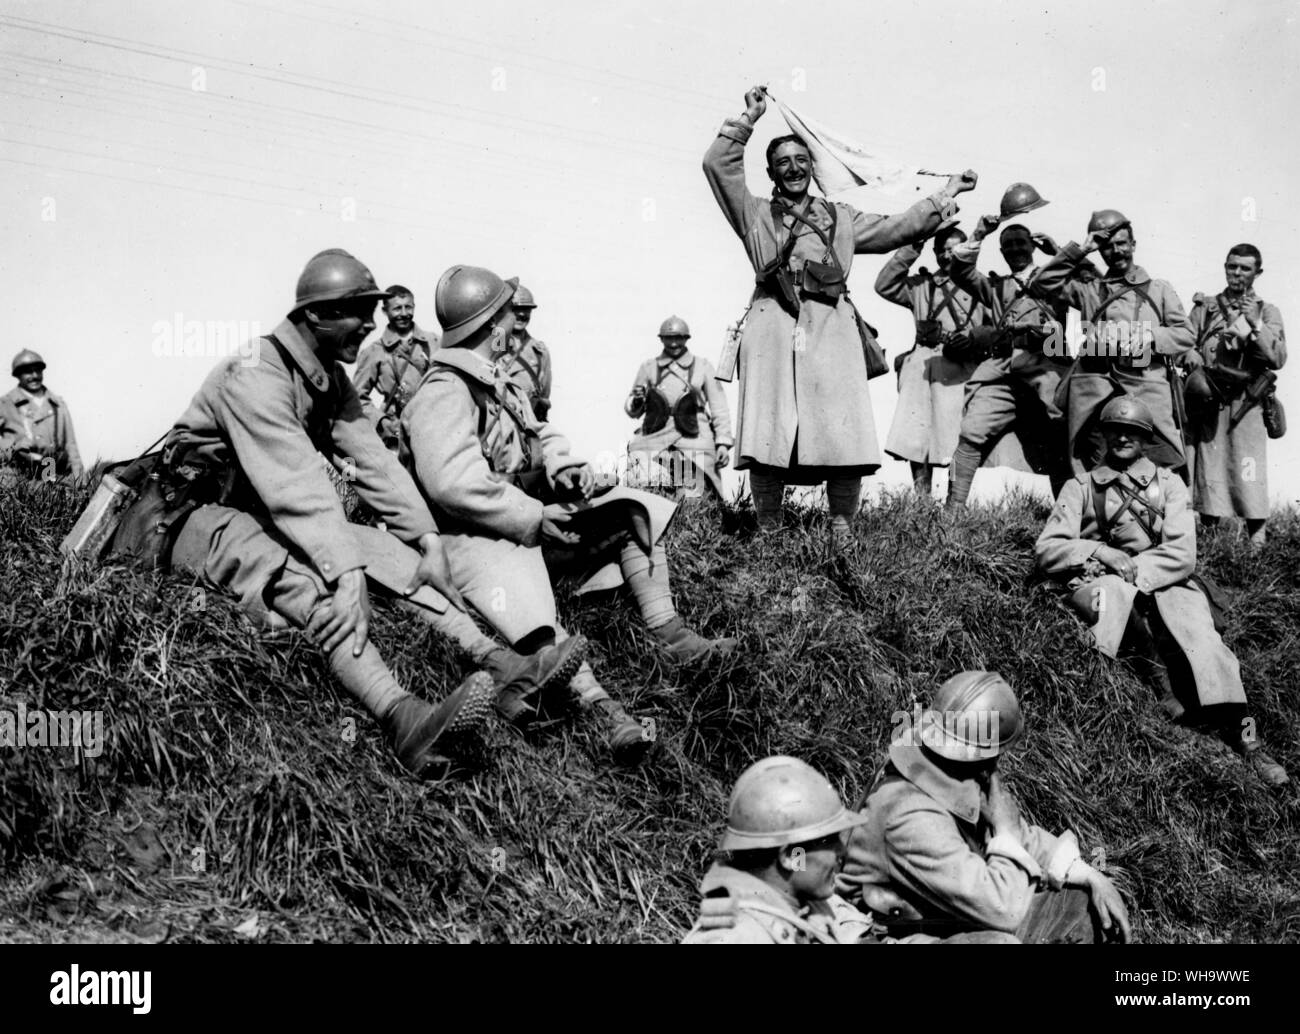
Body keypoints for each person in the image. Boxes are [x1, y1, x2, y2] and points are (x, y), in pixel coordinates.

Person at [107, 250, 587, 778]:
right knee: (302, 579)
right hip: (183, 518)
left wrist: (424, 540)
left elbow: (373, 460)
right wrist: (346, 572)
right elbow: (297, 485)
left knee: (391, 553)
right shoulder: (253, 373)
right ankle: (404, 719)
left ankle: (505, 667)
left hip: (248, 506)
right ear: (316, 315)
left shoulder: (326, 378)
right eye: (360, 311)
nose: (371, 324)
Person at [401, 266, 738, 762]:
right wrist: (532, 516)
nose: (514, 326)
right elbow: (451, 484)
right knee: (537, 619)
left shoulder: (498, 382)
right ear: (490, 325)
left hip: (523, 521)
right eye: (506, 317)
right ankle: (602, 711)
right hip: (471, 540)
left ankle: (668, 631)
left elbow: (542, 435)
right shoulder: (444, 390)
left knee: (631, 510)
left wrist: (568, 468)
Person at [703, 85, 976, 541]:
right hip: (772, 329)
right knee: (767, 434)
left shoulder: (841, 218)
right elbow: (717, 165)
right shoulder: (752, 214)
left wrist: (946, 193)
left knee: (843, 433)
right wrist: (747, 119)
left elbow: (896, 229)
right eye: (783, 162)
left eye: (801, 161)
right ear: (770, 173)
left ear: (813, 168)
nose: (793, 168)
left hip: (833, 331)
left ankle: (842, 532)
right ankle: (769, 534)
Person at [1035, 397, 1288, 787]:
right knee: (1115, 598)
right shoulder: (1080, 486)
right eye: (1114, 430)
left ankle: (1251, 743)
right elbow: (1048, 548)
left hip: (1164, 580)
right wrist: (1100, 551)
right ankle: (1164, 691)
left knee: (1211, 650)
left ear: (1145, 438)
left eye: (1132, 432)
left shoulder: (1169, 485)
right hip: (1101, 580)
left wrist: (1133, 571)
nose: (1122, 437)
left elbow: (1182, 554)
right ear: (1102, 435)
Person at [839, 671, 1132, 943]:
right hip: (890, 935)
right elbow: (1004, 910)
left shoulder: (946, 772)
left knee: (1081, 904)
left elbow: (1021, 837)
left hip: (946, 914)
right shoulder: (910, 815)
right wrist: (1005, 835)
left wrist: (1091, 875)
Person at [1034, 209, 1195, 479]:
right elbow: (1041, 285)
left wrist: (1151, 337)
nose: (1116, 251)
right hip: (1095, 389)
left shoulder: (1158, 289)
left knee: (1161, 461)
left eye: (1121, 243)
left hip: (1146, 384)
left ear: (1133, 245)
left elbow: (1185, 334)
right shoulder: (1088, 289)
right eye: (1107, 246)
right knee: (1094, 463)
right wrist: (1080, 249)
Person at [943, 198, 1076, 508]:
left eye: (1021, 243)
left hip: (1047, 367)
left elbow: (1091, 285)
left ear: (1032, 246)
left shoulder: (1056, 280)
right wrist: (979, 234)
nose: (1016, 249)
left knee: (1062, 436)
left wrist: (1058, 253)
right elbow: (960, 271)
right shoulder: (996, 286)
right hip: (1003, 369)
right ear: (1002, 252)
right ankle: (952, 513)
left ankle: (1068, 516)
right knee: (971, 431)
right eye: (1009, 245)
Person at [682, 756, 877, 944]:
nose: (843, 851)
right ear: (790, 856)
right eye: (829, 841)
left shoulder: (802, 905)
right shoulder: (737, 936)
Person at [875, 222, 991, 496]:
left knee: (956, 439)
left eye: (956, 250)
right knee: (918, 436)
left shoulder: (982, 286)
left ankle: (955, 500)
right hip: (922, 366)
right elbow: (884, 285)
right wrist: (914, 245)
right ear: (935, 253)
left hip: (961, 368)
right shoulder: (921, 286)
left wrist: (976, 341)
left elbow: (998, 326)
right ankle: (921, 501)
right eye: (942, 250)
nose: (948, 256)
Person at [1184, 244, 1286, 546]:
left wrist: (1254, 322)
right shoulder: (1207, 307)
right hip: (1210, 398)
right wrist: (1191, 356)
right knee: (1209, 467)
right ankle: (1210, 537)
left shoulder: (1267, 311)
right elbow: (1185, 339)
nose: (1237, 273)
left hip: (1247, 403)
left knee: (1249, 467)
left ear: (1258, 272)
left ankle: (1257, 541)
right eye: (1232, 266)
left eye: (1245, 268)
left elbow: (1278, 357)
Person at [625, 315, 733, 500]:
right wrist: (637, 400)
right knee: (639, 470)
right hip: (656, 432)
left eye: (679, 338)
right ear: (661, 339)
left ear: (686, 338)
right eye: (668, 338)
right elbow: (632, 410)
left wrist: (722, 443)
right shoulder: (649, 367)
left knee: (703, 480)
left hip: (694, 433)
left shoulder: (703, 366)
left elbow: (719, 407)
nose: (674, 343)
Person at [351, 285, 437, 450]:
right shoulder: (374, 351)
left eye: (408, 307)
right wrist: (381, 421)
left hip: (432, 430)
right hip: (397, 437)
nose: (404, 314)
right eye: (397, 308)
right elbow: (357, 399)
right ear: (385, 311)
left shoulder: (433, 342)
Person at [0, 349, 83, 480]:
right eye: (28, 372)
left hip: (53, 477)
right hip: (18, 480)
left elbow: (71, 448)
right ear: (18, 375)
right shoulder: (5, 404)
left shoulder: (57, 404)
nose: (34, 376)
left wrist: (79, 482)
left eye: (38, 370)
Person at [499, 283, 553, 422]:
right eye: (516, 309)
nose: (522, 314)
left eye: (527, 309)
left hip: (528, 424)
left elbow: (544, 395)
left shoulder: (539, 351)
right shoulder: (492, 343)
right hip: (498, 421)